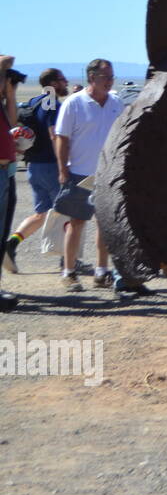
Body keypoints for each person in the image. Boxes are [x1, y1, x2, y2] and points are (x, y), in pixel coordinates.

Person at [52, 59, 124, 293]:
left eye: (112, 76)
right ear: (92, 78)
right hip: (80, 173)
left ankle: (102, 272)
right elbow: (62, 138)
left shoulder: (116, 103)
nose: (110, 81)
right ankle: (69, 272)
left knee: (105, 225)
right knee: (77, 223)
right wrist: (63, 169)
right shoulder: (74, 103)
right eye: (106, 77)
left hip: (108, 175)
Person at [4, 68, 68, 272]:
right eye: (61, 79)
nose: (65, 81)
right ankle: (68, 260)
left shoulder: (33, 102)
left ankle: (11, 244)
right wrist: (63, 166)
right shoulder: (50, 102)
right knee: (67, 212)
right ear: (53, 83)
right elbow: (53, 134)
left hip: (34, 166)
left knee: (41, 213)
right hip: (51, 165)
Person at [0, 54, 17, 310]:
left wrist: (11, 94)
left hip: (5, 171)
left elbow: (13, 123)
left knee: (1, 231)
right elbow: (7, 58)